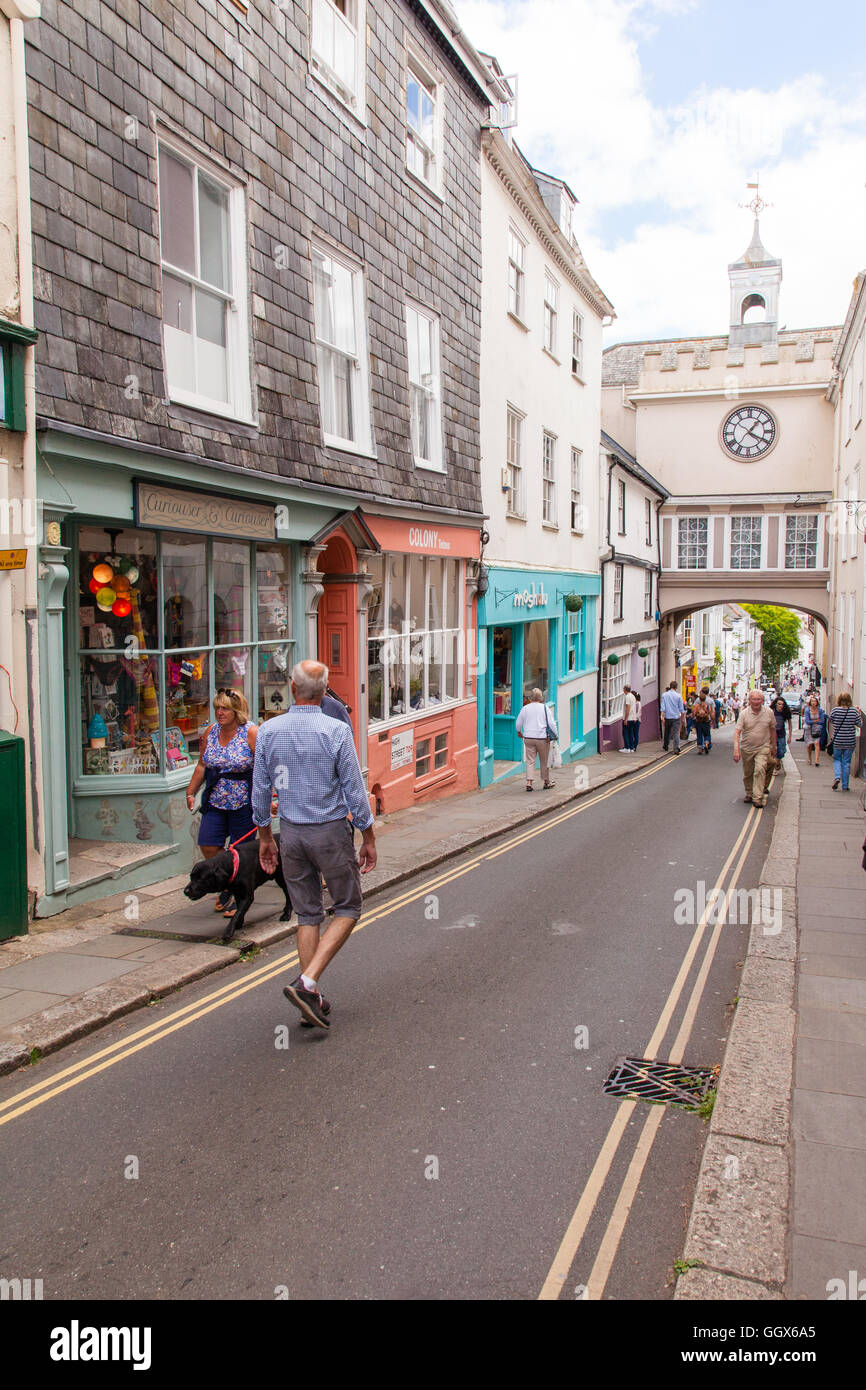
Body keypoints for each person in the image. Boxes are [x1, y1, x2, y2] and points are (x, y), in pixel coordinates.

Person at [253, 660, 377, 1030]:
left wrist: (264, 837)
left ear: (292, 688)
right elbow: (355, 791)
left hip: (290, 832)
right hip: (329, 832)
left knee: (307, 914)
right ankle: (307, 984)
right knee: (348, 907)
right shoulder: (336, 731)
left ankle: (311, 996)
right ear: (324, 693)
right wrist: (368, 836)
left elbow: (260, 790)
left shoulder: (269, 731)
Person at [186, 689, 257, 916]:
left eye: (225, 708)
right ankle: (227, 883)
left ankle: (237, 895)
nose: (219, 712)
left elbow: (266, 767)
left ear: (237, 711)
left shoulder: (251, 732)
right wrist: (190, 792)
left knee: (240, 852)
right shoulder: (210, 731)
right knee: (208, 844)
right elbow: (202, 765)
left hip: (244, 802)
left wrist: (272, 798)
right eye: (217, 707)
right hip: (215, 799)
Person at [733, 689, 776, 807]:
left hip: (763, 747)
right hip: (747, 748)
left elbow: (773, 729)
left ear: (762, 700)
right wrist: (736, 749)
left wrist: (774, 746)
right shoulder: (744, 714)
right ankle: (749, 793)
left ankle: (757, 798)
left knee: (760, 770)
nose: (756, 702)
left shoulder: (769, 712)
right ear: (749, 701)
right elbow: (737, 732)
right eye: (754, 699)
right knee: (748, 773)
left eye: (759, 699)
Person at [516, 688, 557, 790]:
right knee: (544, 761)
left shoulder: (525, 708)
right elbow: (551, 723)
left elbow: (518, 723)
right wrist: (555, 734)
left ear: (530, 698)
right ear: (541, 698)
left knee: (530, 761)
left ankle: (529, 783)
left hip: (528, 737)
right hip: (542, 738)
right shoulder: (544, 708)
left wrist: (519, 732)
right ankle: (546, 782)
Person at [828, 692, 862, 792]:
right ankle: (845, 786)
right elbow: (860, 724)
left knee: (837, 759)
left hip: (838, 740)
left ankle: (837, 777)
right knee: (846, 762)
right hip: (850, 741)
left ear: (839, 699)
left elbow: (830, 720)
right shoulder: (854, 711)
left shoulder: (835, 710)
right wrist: (859, 714)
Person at [660, 681, 685, 755]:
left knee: (667, 731)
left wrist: (662, 716)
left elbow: (663, 707)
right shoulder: (678, 696)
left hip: (668, 716)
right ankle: (676, 748)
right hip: (676, 717)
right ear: (676, 687)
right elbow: (681, 708)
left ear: (670, 686)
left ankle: (666, 745)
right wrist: (683, 718)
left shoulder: (664, 695)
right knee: (676, 733)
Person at [803, 694, 824, 767]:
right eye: (812, 701)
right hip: (808, 729)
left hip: (817, 729)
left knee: (817, 743)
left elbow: (822, 721)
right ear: (810, 702)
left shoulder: (820, 710)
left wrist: (814, 721)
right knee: (809, 745)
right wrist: (815, 721)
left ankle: (817, 760)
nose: (813, 703)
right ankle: (809, 758)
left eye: (815, 701)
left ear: (817, 702)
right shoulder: (807, 710)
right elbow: (807, 721)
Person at [771, 696, 792, 771]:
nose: (780, 706)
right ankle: (774, 768)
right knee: (773, 751)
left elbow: (790, 724)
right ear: (776, 704)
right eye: (779, 704)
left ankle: (778, 762)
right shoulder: (772, 711)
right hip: (772, 735)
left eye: (782, 704)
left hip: (781, 734)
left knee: (781, 751)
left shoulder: (785, 712)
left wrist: (790, 736)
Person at [692, 689, 712, 755]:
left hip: (699, 721)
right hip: (706, 721)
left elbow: (694, 713)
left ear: (699, 699)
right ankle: (706, 744)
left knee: (699, 734)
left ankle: (700, 749)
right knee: (706, 734)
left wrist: (693, 717)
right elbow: (710, 713)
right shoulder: (707, 705)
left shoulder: (697, 705)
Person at [621, 684, 637, 752]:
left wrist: (626, 719)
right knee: (630, 733)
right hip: (633, 718)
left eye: (623, 689)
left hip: (628, 718)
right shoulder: (633, 696)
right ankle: (631, 748)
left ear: (625, 689)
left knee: (625, 733)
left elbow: (628, 708)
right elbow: (634, 708)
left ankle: (627, 748)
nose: (623, 690)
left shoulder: (627, 697)